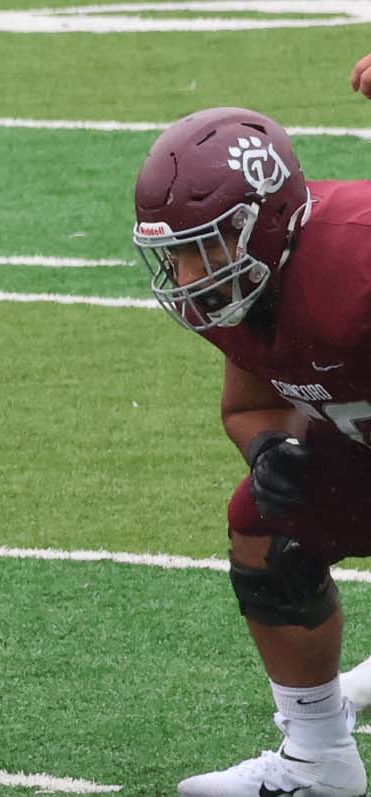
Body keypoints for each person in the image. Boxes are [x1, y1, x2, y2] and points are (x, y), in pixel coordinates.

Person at [132, 106, 368, 797]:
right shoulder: (245, 292)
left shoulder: (357, 263)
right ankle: (318, 761)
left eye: (203, 248)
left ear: (263, 223)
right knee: (264, 527)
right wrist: (270, 448)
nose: (184, 275)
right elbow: (248, 406)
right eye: (175, 252)